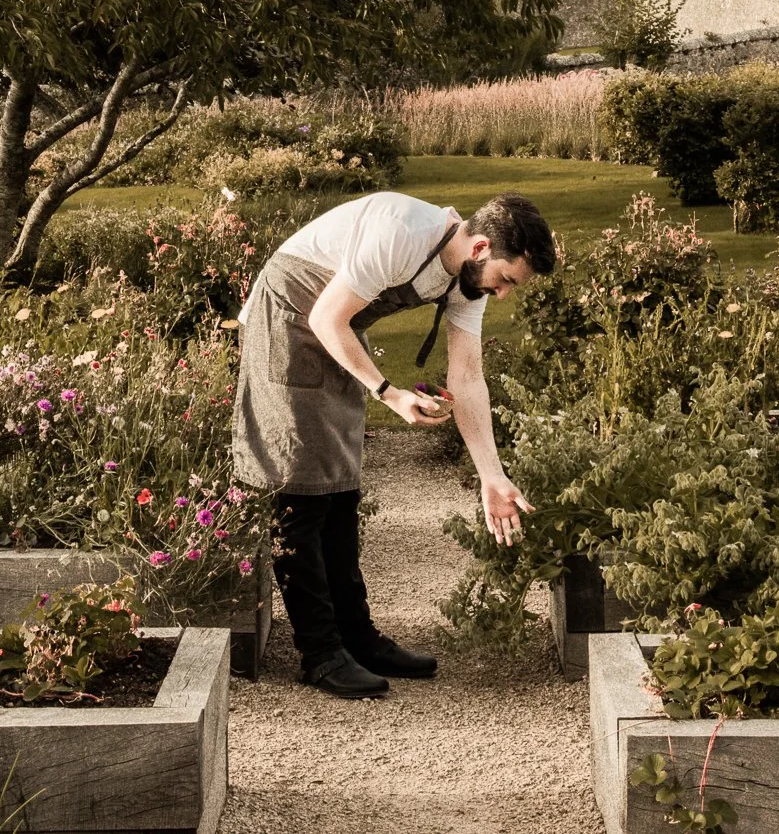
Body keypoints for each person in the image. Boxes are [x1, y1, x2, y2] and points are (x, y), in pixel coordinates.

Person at [230, 190, 555, 698]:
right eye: (507, 280)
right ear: (481, 248)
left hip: (337, 327)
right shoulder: (401, 233)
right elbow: (324, 317)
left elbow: (467, 377)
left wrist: (492, 476)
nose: (505, 294)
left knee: (340, 492)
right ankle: (320, 653)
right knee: (298, 492)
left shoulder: (463, 283)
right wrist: (388, 392)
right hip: (291, 319)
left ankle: (357, 638)